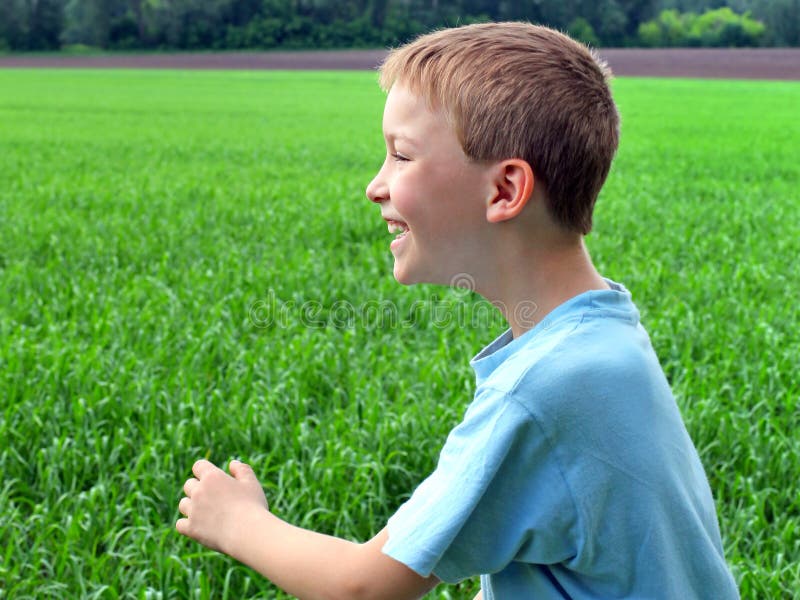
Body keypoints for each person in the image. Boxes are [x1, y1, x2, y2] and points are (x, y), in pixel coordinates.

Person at [176, 22, 739, 599]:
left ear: (504, 191)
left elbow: (362, 588)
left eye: (401, 155)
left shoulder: (541, 392)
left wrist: (240, 523)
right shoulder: (606, 338)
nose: (375, 185)